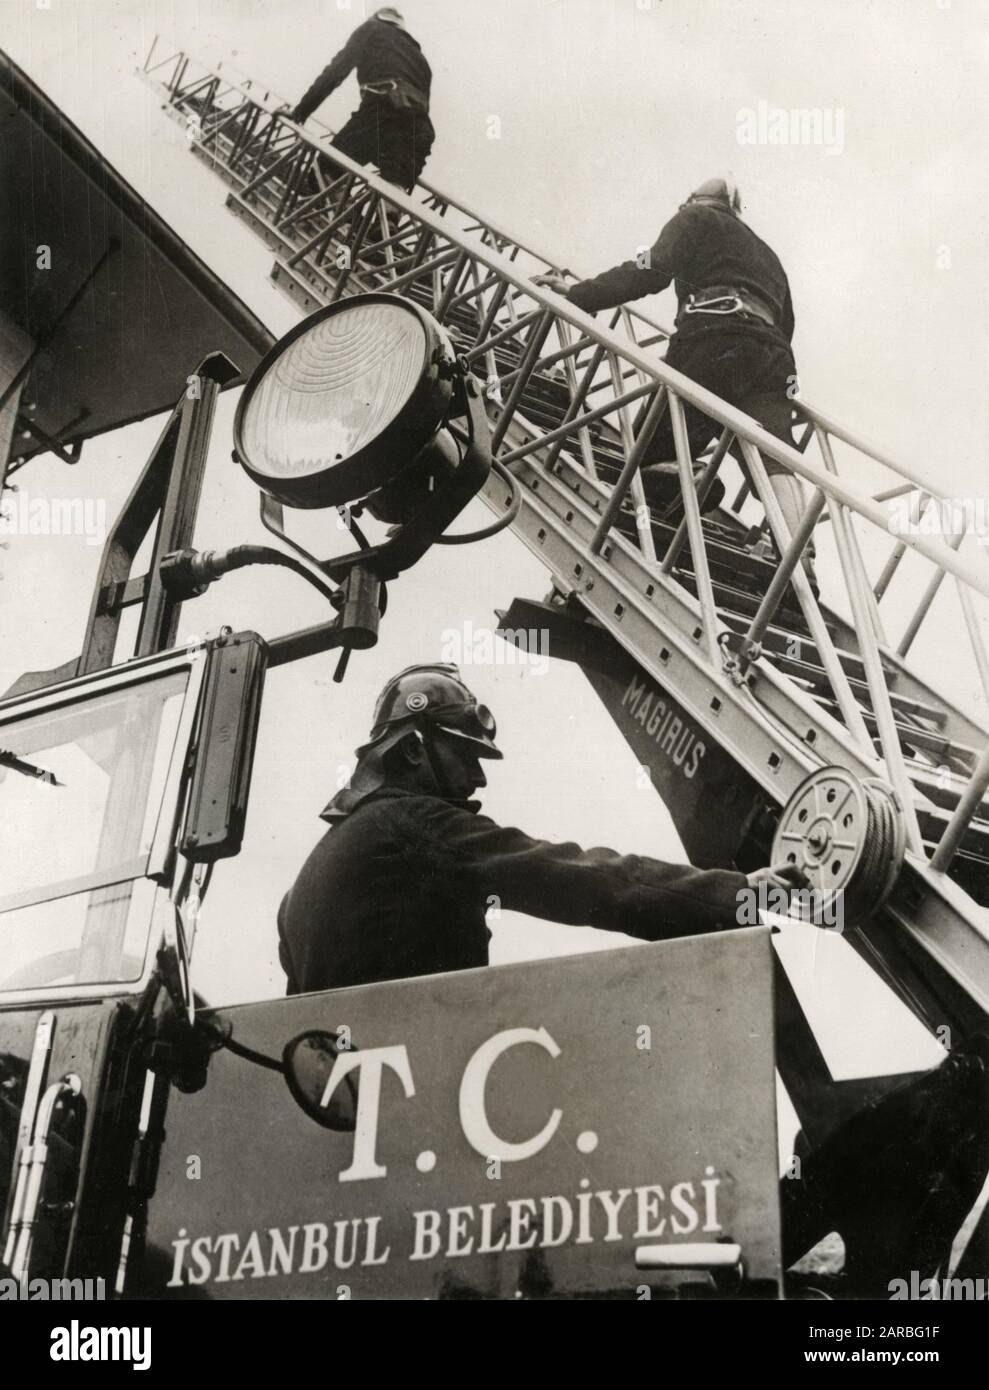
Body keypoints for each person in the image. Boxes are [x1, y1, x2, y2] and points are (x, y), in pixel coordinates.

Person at [277, 663, 800, 994]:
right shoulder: (414, 828)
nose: (479, 777)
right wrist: (736, 894)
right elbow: (582, 877)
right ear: (415, 750)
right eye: (466, 756)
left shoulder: (301, 889)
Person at [535, 176, 817, 588]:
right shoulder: (767, 254)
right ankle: (799, 558)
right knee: (773, 453)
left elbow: (649, 271)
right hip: (772, 356)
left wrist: (578, 295)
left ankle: (692, 478)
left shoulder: (695, 218)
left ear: (694, 200)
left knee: (650, 446)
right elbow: (787, 322)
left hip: (713, 335)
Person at [288, 7, 434, 193]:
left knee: (326, 168)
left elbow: (335, 72)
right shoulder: (420, 58)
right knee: (395, 185)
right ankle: (387, 218)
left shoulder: (372, 28)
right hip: (420, 129)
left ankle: (324, 198)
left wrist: (301, 112)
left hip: (383, 108)